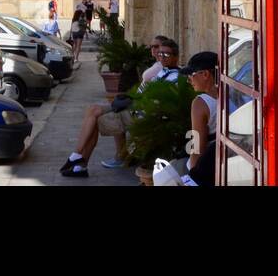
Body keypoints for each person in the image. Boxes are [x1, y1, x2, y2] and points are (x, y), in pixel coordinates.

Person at [60, 37, 180, 178]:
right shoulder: (162, 70)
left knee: (95, 118)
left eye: (166, 54)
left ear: (176, 57)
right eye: (160, 53)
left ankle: (79, 160)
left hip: (142, 113)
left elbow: (157, 102)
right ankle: (79, 161)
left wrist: (134, 101)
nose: (161, 56)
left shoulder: (174, 76)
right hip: (135, 105)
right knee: (93, 113)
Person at [182, 51, 219, 187]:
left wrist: (193, 176)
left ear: (205, 74)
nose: (188, 80)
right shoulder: (233, 93)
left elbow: (196, 145)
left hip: (208, 167)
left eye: (191, 75)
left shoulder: (201, 103)